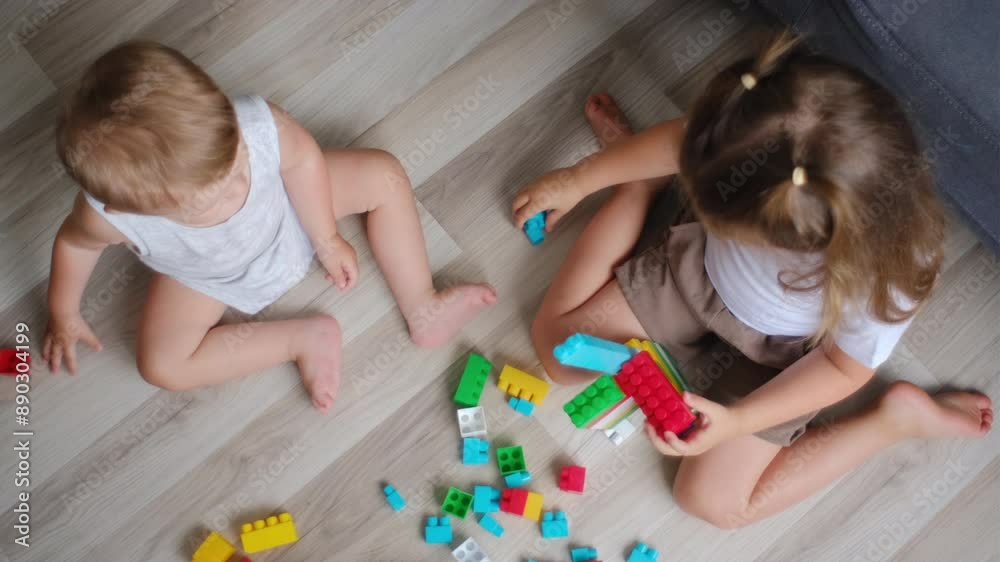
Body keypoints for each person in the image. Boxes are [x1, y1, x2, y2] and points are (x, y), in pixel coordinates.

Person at [514, 32, 992, 526]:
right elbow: (683, 144)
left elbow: (841, 368)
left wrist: (738, 422)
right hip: (693, 276)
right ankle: (636, 190)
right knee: (559, 352)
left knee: (715, 504)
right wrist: (582, 178)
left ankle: (891, 423)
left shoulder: (886, 274)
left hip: (788, 358)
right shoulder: (766, 128)